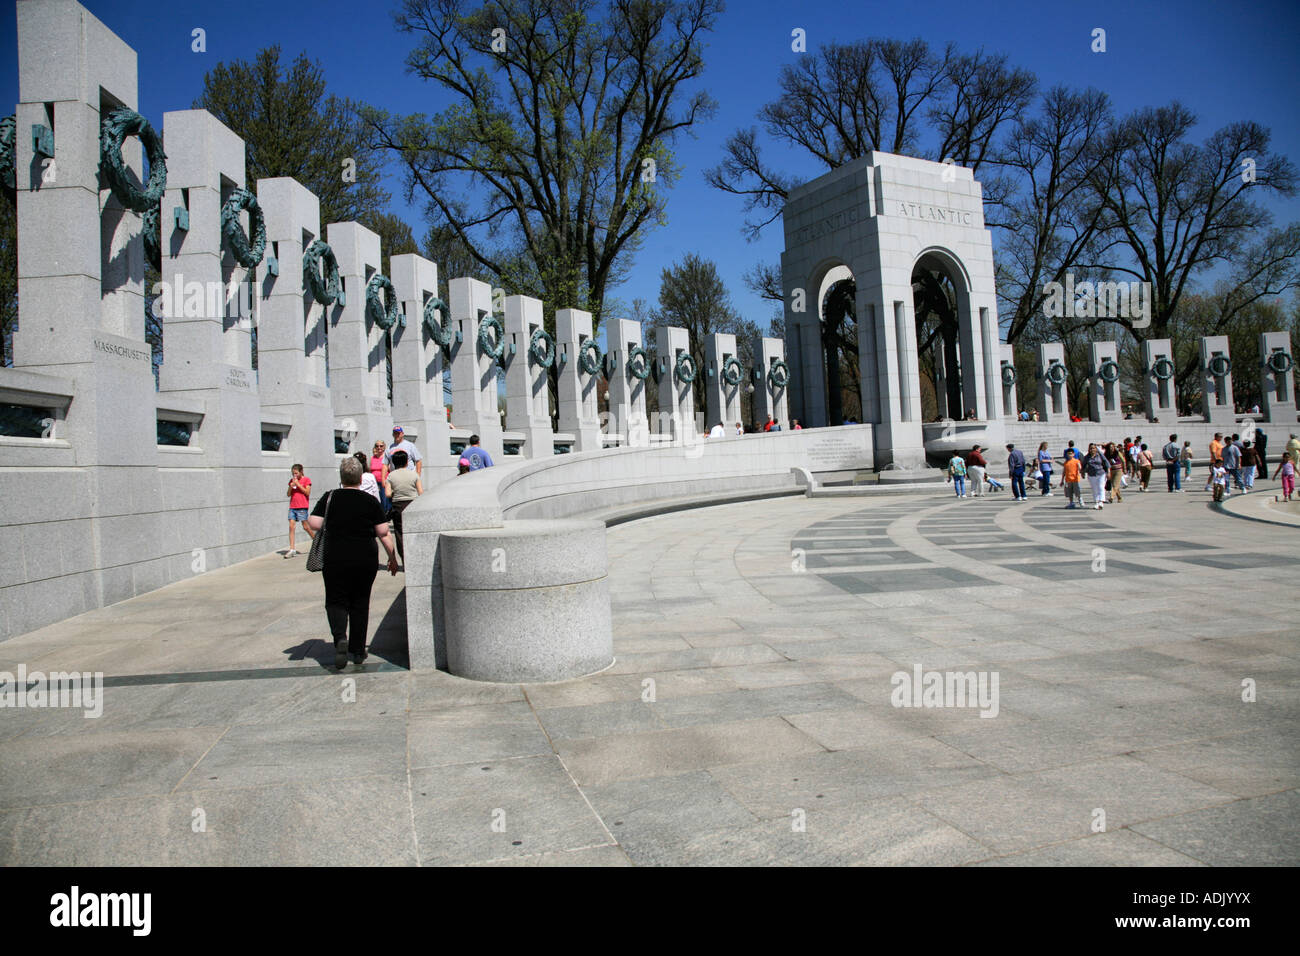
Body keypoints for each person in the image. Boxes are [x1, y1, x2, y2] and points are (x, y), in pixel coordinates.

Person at [308, 457, 398, 669]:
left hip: (335, 557)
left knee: (336, 599)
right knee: (360, 601)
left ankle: (340, 638)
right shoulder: (369, 501)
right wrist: (392, 558)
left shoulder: (330, 497)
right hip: (364, 558)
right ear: (360, 477)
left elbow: (313, 522)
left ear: (341, 477)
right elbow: (383, 532)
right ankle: (358, 651)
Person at [384, 449, 423, 565]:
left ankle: (405, 561)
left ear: (394, 463)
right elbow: (421, 492)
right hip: (412, 505)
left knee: (400, 535)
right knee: (413, 532)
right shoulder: (414, 475)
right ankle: (415, 559)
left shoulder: (390, 476)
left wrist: (394, 492)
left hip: (398, 507)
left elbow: (387, 494)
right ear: (407, 462)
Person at [285, 464, 315, 558]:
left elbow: (307, 492)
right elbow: (288, 494)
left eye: (296, 473)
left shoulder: (306, 480)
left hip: (302, 507)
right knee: (291, 526)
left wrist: (298, 484)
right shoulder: (292, 481)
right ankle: (292, 549)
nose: (294, 475)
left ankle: (316, 542)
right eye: (293, 473)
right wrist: (291, 486)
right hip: (293, 506)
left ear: (301, 472)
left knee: (306, 527)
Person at [1083, 442, 1109, 508]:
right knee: (1094, 488)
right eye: (1091, 448)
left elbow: (1106, 462)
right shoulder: (1087, 457)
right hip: (1091, 475)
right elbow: (1083, 465)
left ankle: (1101, 501)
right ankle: (1096, 502)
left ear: (1096, 449)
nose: (1092, 450)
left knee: (1101, 487)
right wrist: (1082, 472)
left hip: (1101, 473)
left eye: (1094, 448)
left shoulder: (1099, 455)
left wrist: (1108, 472)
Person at [370, 439, 390, 513]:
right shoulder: (373, 458)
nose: (379, 447)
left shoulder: (386, 457)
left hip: (384, 482)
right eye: (377, 446)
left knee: (384, 500)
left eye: (381, 446)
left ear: (384, 447)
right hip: (374, 483)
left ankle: (385, 514)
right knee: (376, 500)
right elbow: (370, 470)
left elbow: (390, 470)